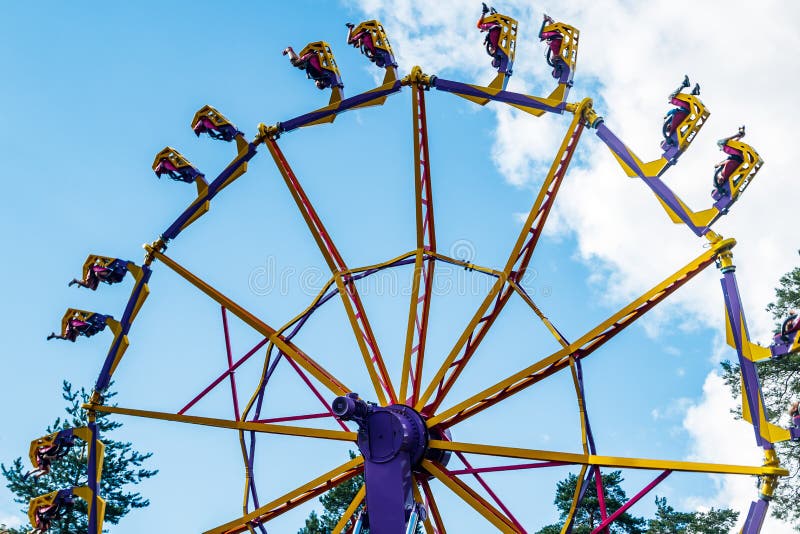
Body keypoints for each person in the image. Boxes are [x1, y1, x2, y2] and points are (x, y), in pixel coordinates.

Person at [662, 75, 701, 148]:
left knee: (685, 100)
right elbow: (674, 111)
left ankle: (694, 92)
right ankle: (684, 84)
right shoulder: (672, 126)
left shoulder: (674, 127)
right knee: (670, 97)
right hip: (685, 110)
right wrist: (667, 114)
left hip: (686, 111)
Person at [713, 126, 746, 194]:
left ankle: (739, 136)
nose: (720, 180)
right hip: (737, 157)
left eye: (718, 180)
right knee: (719, 143)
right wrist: (718, 164)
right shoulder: (725, 175)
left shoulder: (724, 175)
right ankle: (738, 134)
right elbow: (728, 162)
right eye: (720, 182)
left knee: (730, 145)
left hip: (737, 157)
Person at [477, 3, 504, 68]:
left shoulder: (492, 43)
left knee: (482, 25)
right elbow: (495, 57)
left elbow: (489, 36)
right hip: (495, 27)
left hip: (493, 28)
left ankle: (492, 13)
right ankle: (486, 12)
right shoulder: (496, 48)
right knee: (479, 26)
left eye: (490, 49)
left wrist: (485, 40)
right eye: (491, 50)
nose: (490, 49)